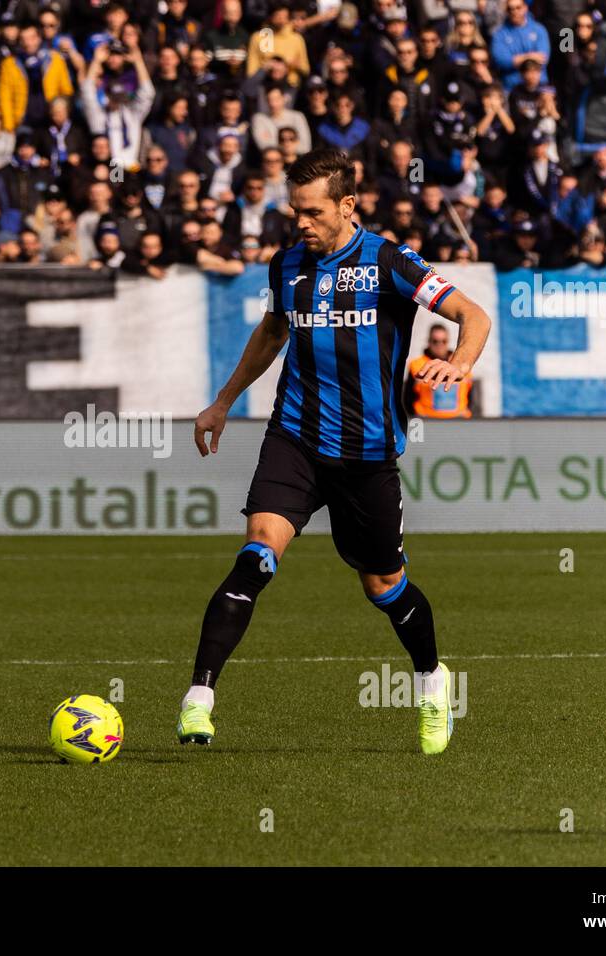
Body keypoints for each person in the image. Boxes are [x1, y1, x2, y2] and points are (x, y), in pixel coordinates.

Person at [180, 148, 492, 755]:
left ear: (347, 207)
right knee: (256, 556)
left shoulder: (390, 261)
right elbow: (273, 332)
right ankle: (199, 699)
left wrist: (459, 361)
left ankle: (432, 682)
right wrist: (222, 401)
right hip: (294, 438)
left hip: (367, 454)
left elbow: (471, 314)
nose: (301, 222)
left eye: (313, 211)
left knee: (384, 586)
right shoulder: (287, 265)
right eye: (294, 210)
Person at [405, 323, 477, 418]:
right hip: (428, 421)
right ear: (429, 341)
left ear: (448, 342)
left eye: (444, 341)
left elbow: (470, 395)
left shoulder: (461, 364)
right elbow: (408, 398)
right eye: (435, 341)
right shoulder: (416, 365)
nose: (440, 345)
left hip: (459, 421)